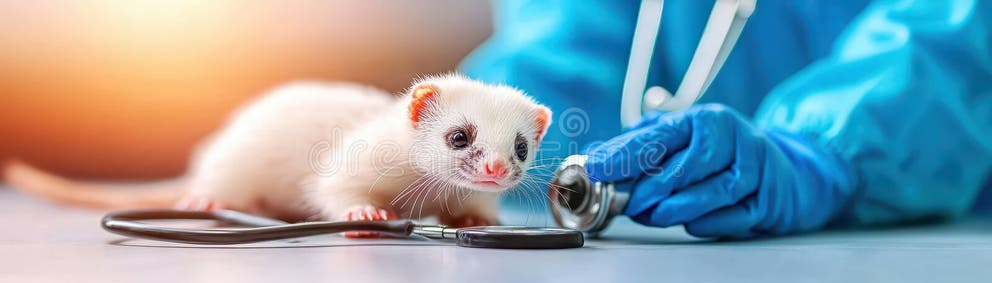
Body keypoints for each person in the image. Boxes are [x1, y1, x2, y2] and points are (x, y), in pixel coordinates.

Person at [460, 0, 992, 238]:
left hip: (935, 213)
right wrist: (445, 141)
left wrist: (823, 147)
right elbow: (561, 54)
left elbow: (954, 35)